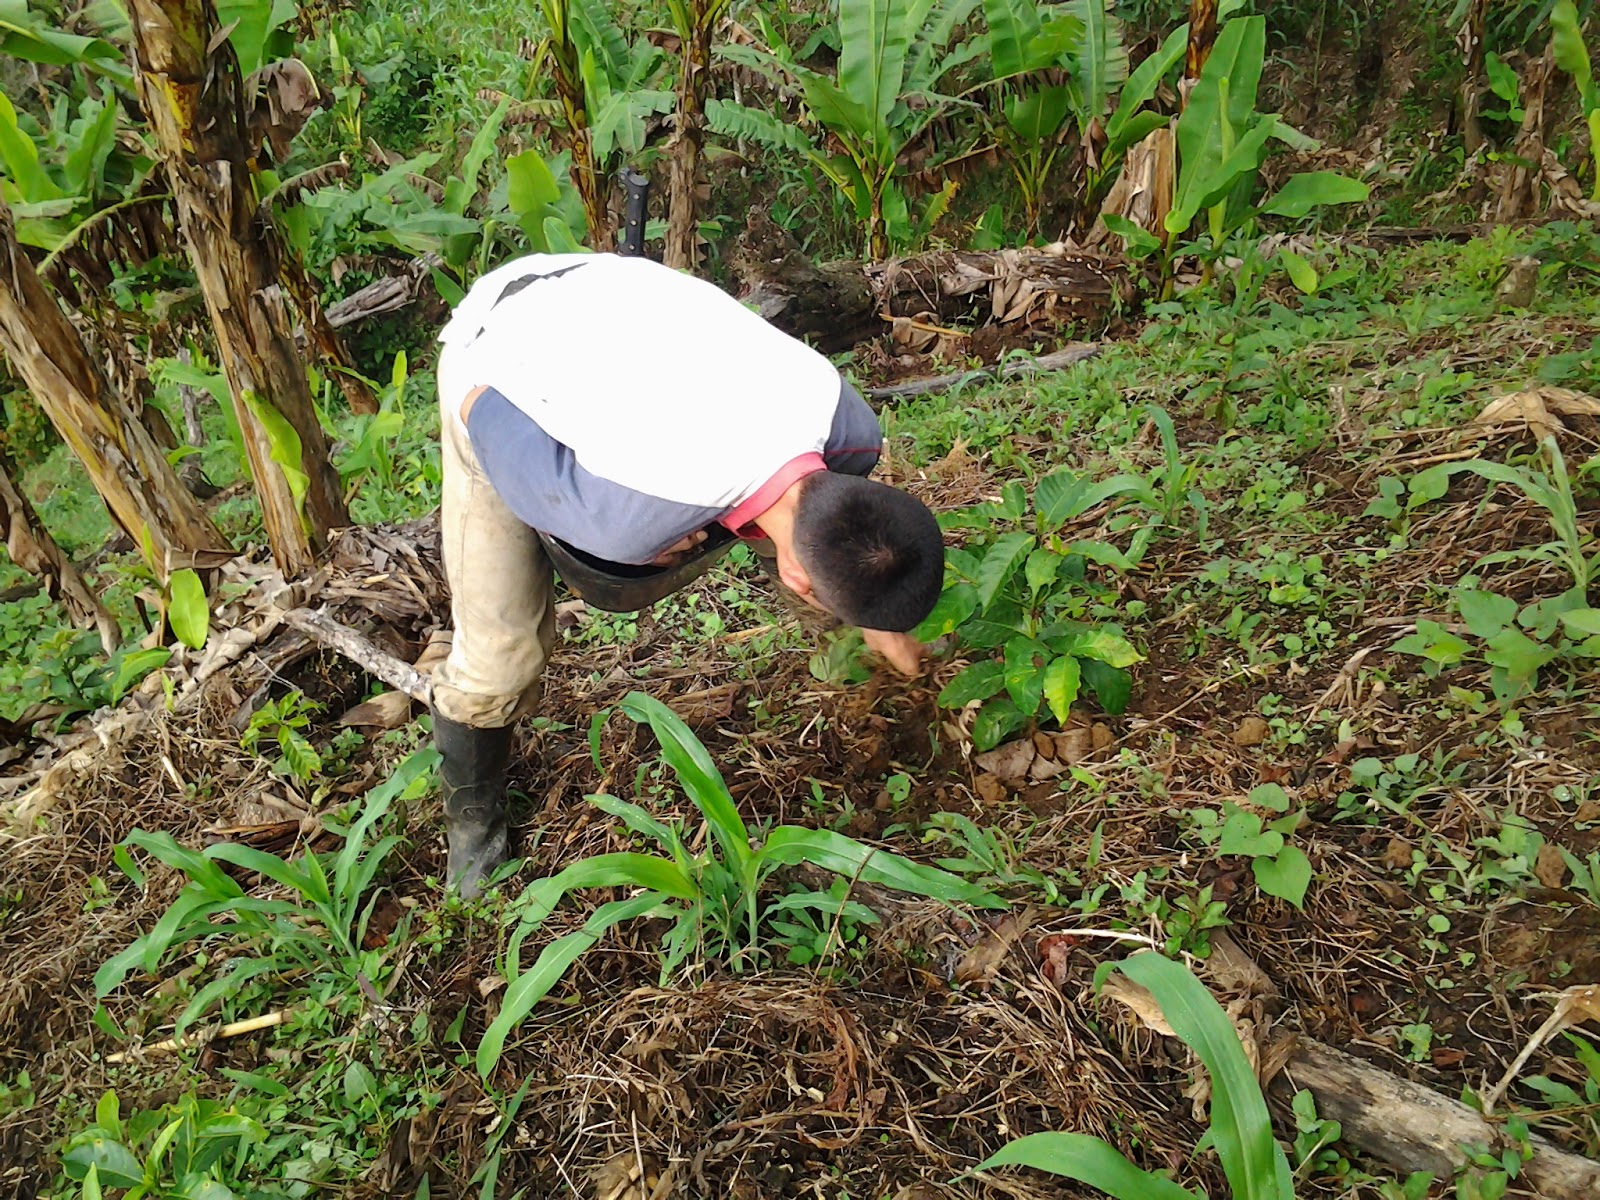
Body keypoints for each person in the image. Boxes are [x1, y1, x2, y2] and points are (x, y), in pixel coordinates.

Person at [429, 252, 947, 897]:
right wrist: (632, 534)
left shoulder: (852, 431)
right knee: (500, 653)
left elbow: (847, 527)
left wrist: (880, 615)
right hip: (500, 349)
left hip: (631, 302)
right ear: (798, 578)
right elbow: (486, 409)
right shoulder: (619, 518)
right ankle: (474, 832)